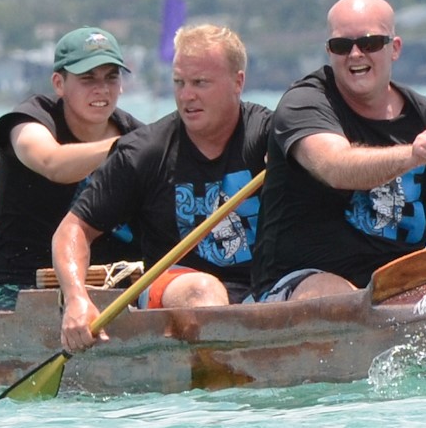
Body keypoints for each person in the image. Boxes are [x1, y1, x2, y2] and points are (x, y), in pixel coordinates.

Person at [250, 0, 426, 303]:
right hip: (297, 284)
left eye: (370, 43)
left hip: (396, 291)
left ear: (395, 48)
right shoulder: (304, 104)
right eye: (342, 45)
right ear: (329, 51)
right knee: (338, 296)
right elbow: (335, 168)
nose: (355, 55)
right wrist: (412, 155)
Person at [54, 24, 270, 352]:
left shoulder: (271, 135)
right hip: (177, 284)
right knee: (203, 290)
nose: (186, 96)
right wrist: (76, 299)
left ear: (238, 82)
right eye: (179, 82)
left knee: (326, 290)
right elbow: (72, 230)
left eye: (200, 83)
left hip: (263, 283)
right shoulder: (144, 151)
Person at [0, 27, 145, 311]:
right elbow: (52, 163)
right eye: (87, 78)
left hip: (115, 286)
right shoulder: (29, 120)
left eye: (111, 77)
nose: (101, 88)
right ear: (59, 83)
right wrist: (127, 148)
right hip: (19, 286)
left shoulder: (137, 136)